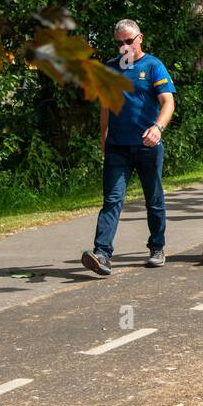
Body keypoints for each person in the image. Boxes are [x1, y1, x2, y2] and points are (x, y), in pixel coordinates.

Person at [81, 19, 175, 276]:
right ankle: (102, 254)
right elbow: (104, 107)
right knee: (112, 199)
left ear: (140, 38)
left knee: (153, 199)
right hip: (117, 147)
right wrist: (104, 137)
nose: (124, 47)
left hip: (147, 146)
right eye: (120, 43)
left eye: (129, 41)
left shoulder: (153, 66)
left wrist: (157, 128)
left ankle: (157, 247)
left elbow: (168, 102)